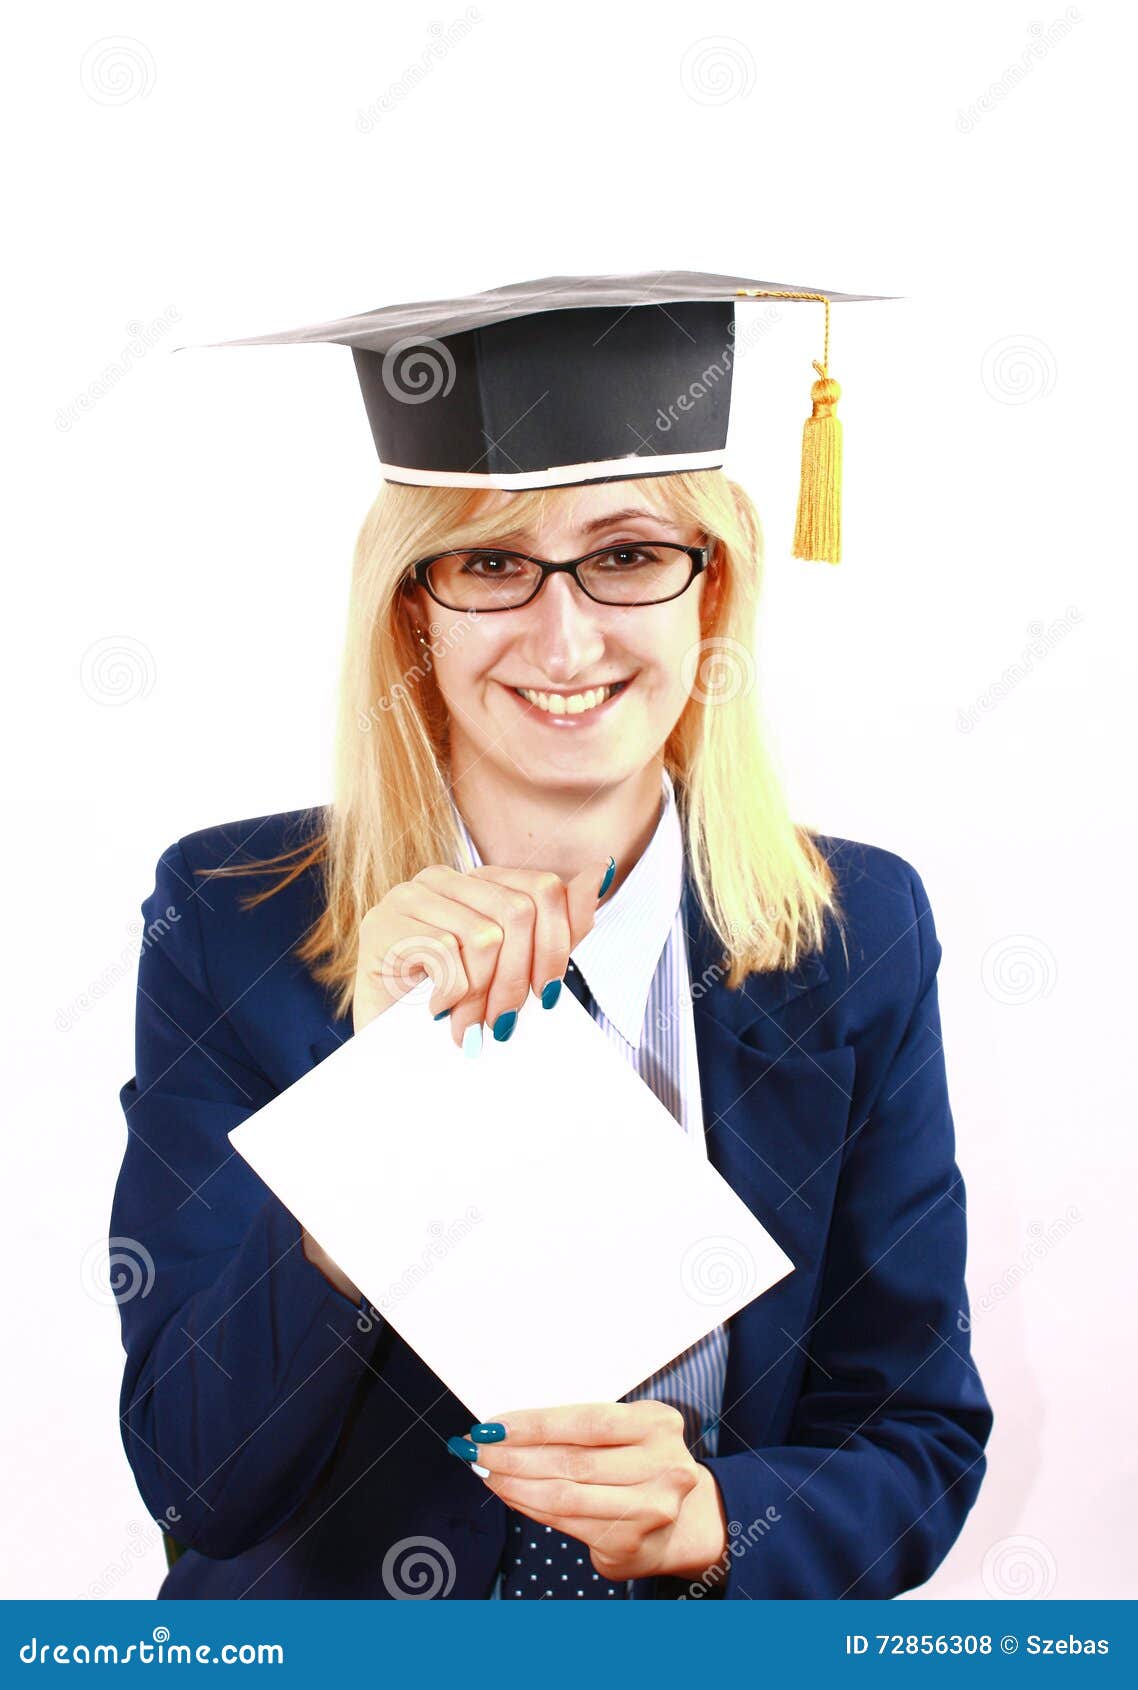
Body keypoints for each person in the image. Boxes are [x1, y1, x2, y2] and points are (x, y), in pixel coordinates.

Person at [111, 274, 992, 1599]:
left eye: (627, 555)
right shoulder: (233, 916)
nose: (565, 639)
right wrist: (382, 1114)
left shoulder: (851, 927)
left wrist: (714, 1520)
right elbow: (198, 1479)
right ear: (412, 606)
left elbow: (914, 1435)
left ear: (711, 592)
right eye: (491, 563)